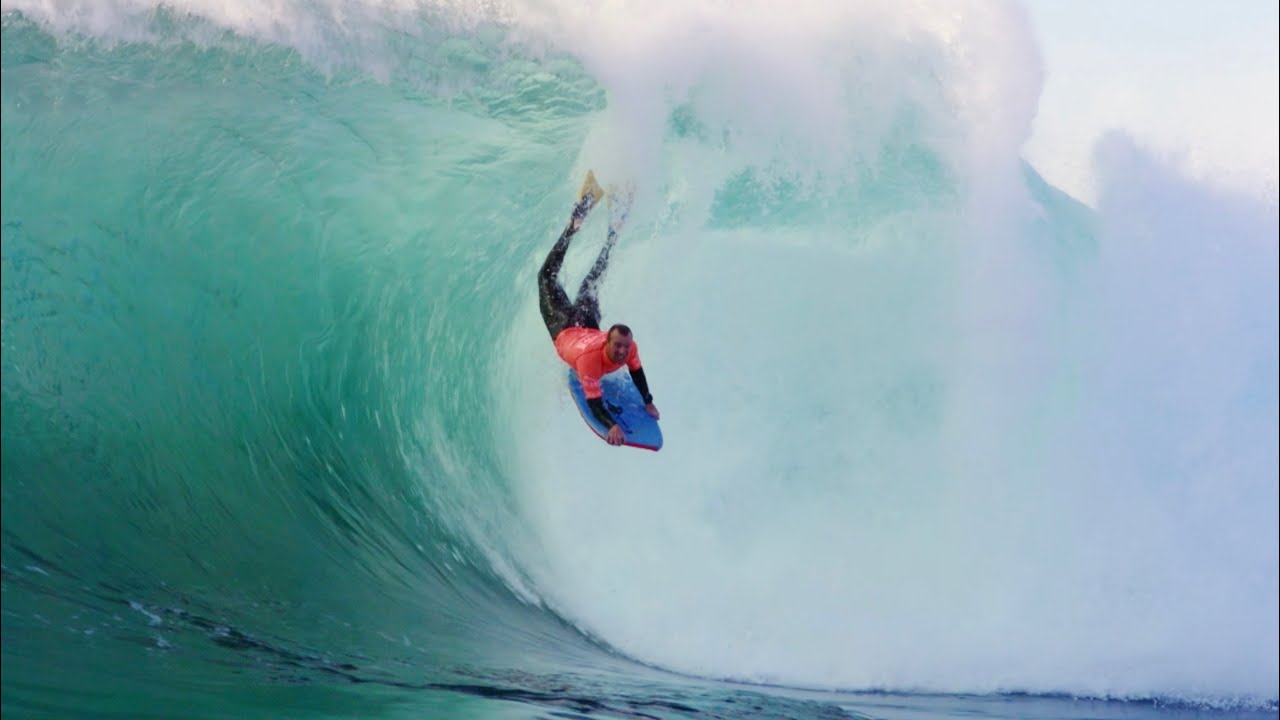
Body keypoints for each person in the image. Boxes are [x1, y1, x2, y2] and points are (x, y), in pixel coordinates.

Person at [538, 174, 659, 446]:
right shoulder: (590, 362)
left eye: (624, 348)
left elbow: (638, 372)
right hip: (565, 329)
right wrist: (611, 425)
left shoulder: (629, 347)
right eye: (617, 347)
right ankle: (575, 223)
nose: (621, 352)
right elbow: (594, 403)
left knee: (594, 277)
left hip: (587, 327)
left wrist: (649, 402)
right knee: (545, 277)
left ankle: (616, 226)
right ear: (608, 340)